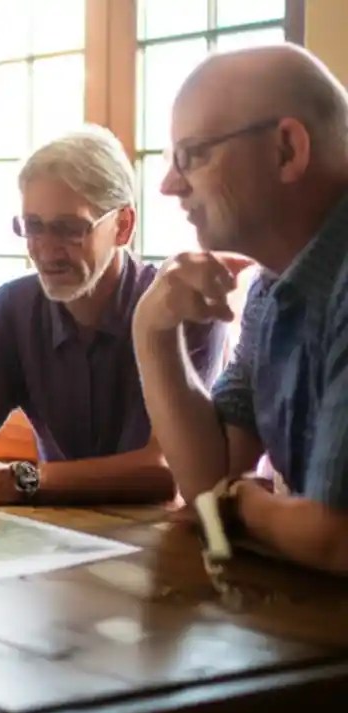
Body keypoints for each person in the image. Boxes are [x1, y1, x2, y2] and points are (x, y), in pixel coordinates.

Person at [0, 126, 228, 507]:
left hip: (162, 537)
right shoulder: (11, 310)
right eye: (33, 227)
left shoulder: (181, 308)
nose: (45, 250)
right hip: (58, 530)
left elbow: (166, 470)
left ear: (123, 226)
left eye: (69, 229)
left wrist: (12, 480)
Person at [133, 44, 348, 575]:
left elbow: (335, 538)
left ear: (286, 150)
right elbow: (208, 481)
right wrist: (152, 332)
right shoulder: (270, 287)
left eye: (194, 155)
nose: (169, 184)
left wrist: (245, 505)